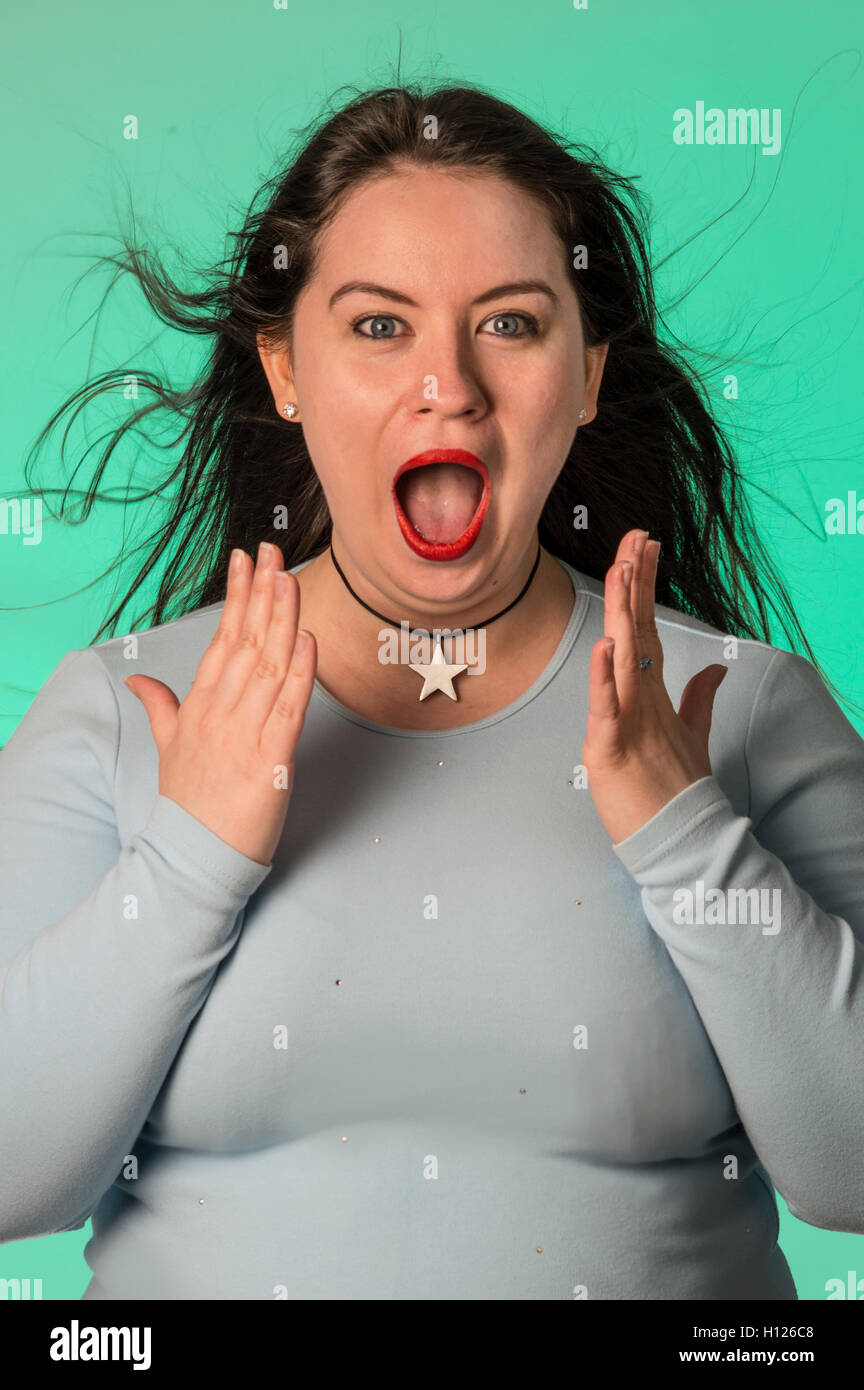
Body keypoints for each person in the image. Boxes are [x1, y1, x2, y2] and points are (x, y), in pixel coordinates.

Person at [1, 81, 862, 1301]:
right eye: (378, 325)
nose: (447, 383)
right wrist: (189, 855)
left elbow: (852, 1175)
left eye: (510, 323)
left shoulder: (742, 710)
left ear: (587, 375)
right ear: (285, 368)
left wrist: (689, 836)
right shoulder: (120, 713)